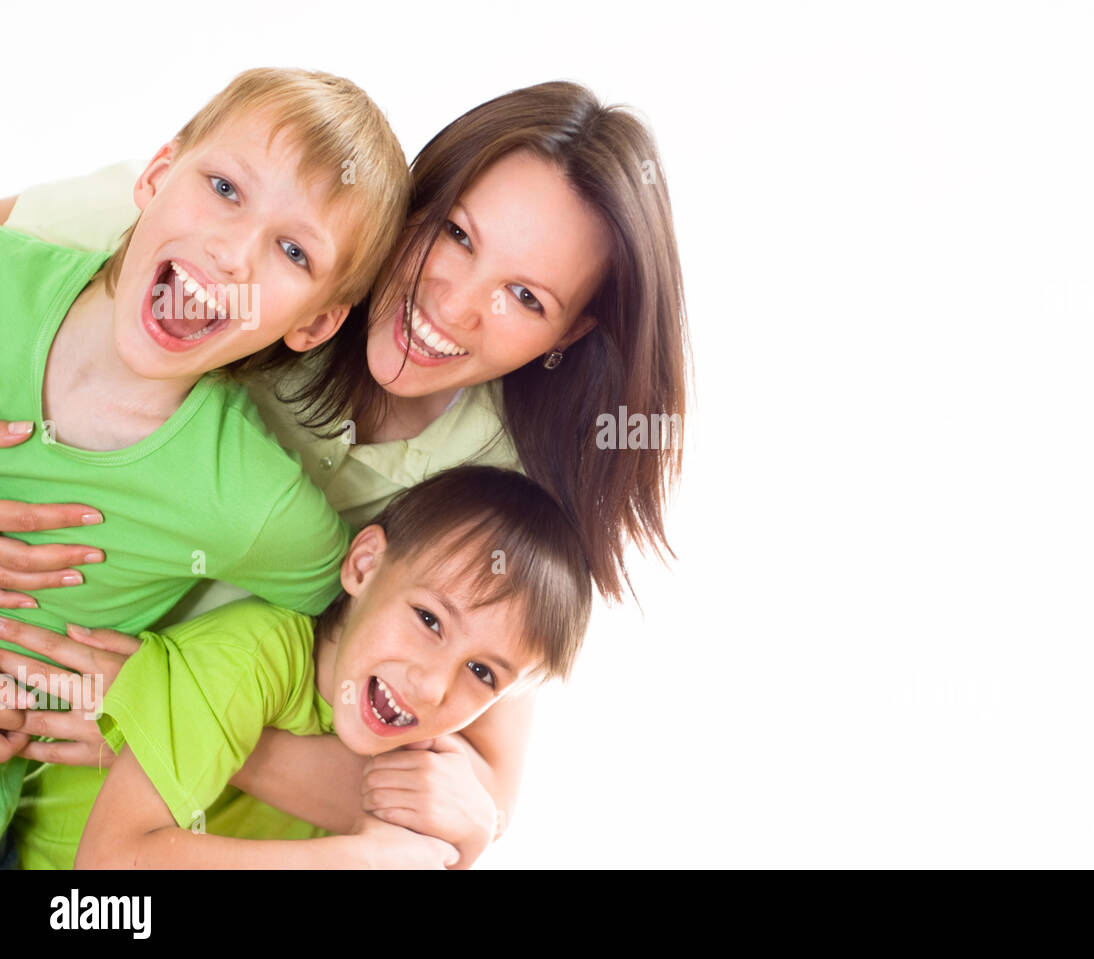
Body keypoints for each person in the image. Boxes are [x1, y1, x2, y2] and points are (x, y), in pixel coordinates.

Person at [0, 80, 689, 864]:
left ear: (573, 330)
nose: (455, 305)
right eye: (458, 234)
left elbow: (462, 805)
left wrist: (164, 713)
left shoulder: (503, 491)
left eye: (525, 297)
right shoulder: (209, 229)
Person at [0, 67, 411, 848]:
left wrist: (153, 701)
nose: (232, 252)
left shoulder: (251, 501)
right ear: (156, 175)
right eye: (225, 187)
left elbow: (337, 629)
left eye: (292, 249)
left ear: (316, 324)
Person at [3, 467, 590, 869]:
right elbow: (105, 869)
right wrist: (339, 861)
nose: (433, 686)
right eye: (430, 620)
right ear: (363, 565)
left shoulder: (415, 754)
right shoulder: (251, 657)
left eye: (483, 674)